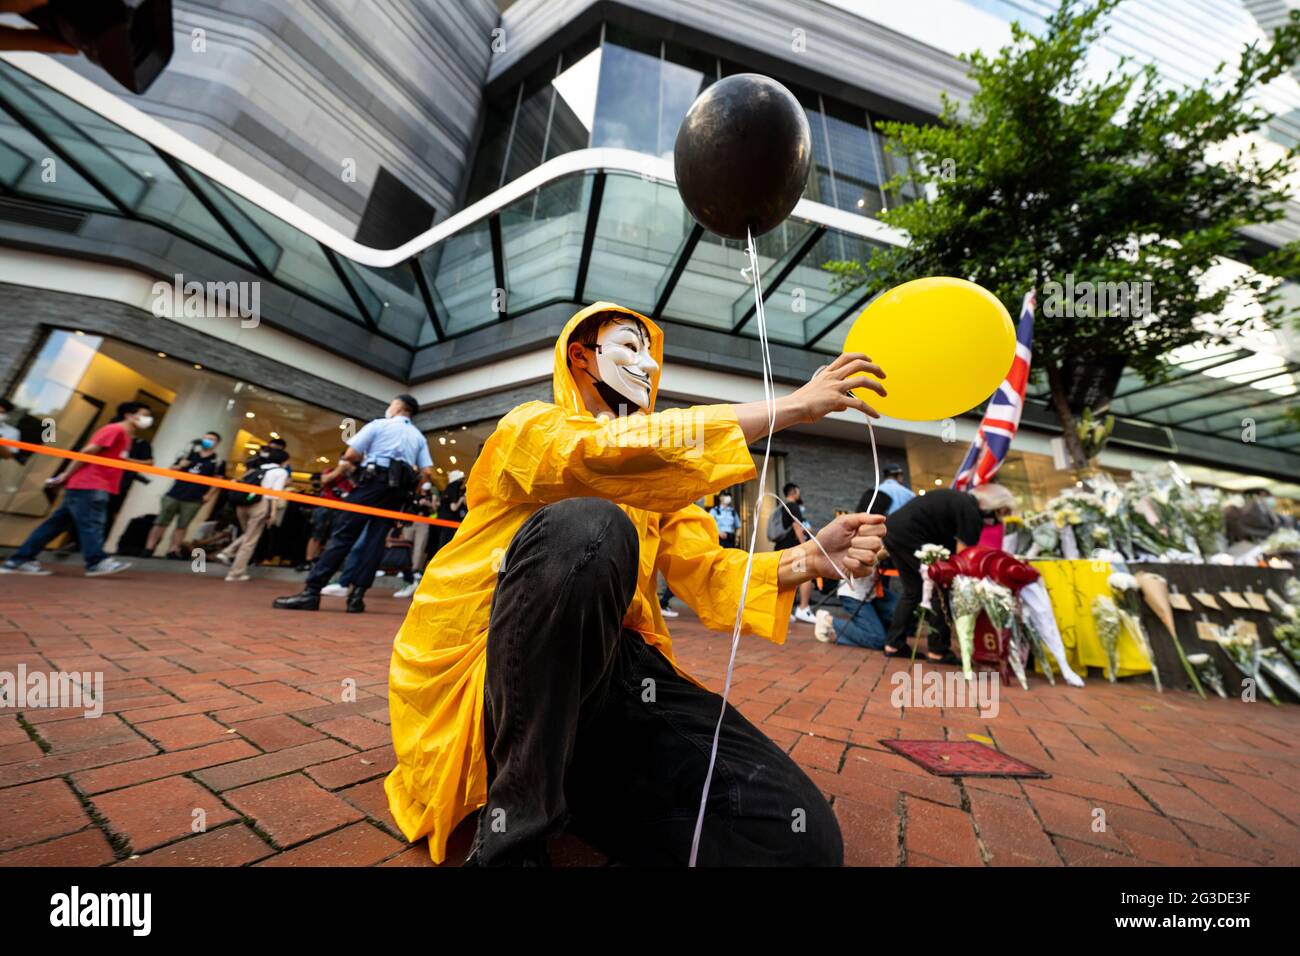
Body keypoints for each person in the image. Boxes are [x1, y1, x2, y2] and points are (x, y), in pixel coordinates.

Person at [385, 302, 887, 867]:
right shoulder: (527, 428)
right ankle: (513, 837)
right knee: (592, 526)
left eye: (652, 354)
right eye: (629, 347)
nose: (648, 367)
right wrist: (788, 408)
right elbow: (601, 455)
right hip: (496, 674)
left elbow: (712, 573)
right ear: (581, 356)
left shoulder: (665, 491)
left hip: (615, 674)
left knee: (800, 840)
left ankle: (577, 786)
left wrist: (810, 558)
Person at [272, 395, 433, 613]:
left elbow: (351, 454)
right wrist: (412, 491)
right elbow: (427, 472)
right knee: (376, 542)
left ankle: (312, 591)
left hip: (372, 482)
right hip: (397, 493)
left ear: (397, 406)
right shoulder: (418, 437)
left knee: (343, 534)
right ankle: (357, 597)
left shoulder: (380, 424)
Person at [1, 401, 153, 577]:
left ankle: (20, 560)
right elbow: (87, 452)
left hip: (93, 485)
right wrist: (65, 475)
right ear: (129, 415)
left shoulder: (125, 436)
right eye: (144, 414)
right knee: (92, 523)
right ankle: (96, 562)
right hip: (90, 484)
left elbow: (118, 460)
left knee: (54, 525)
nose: (147, 419)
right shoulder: (114, 430)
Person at [880, 483, 1017, 662]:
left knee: (912, 591)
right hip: (912, 537)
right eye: (1004, 512)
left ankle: (894, 644)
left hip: (892, 531)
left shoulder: (959, 500)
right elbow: (963, 558)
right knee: (941, 589)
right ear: (996, 507)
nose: (1001, 519)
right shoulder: (971, 512)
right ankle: (938, 651)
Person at [815, 491, 897, 648]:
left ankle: (867, 629)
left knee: (903, 615)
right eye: (886, 510)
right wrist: (884, 551)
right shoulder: (857, 530)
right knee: (877, 640)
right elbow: (858, 561)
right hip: (853, 594)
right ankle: (827, 620)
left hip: (872, 593)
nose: (888, 514)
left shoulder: (876, 530)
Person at [217, 444, 290, 581]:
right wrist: (273, 512)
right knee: (250, 540)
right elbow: (274, 494)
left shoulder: (258, 467)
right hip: (261, 504)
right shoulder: (281, 472)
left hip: (243, 503)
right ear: (283, 460)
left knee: (249, 534)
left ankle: (228, 552)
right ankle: (235, 572)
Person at [146, 431, 223, 559]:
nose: (208, 441)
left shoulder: (217, 461)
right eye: (206, 438)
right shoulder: (188, 454)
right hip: (174, 494)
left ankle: (173, 550)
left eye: (212, 439)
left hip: (195, 498)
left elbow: (218, 481)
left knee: (182, 525)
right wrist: (180, 465)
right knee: (160, 522)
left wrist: (209, 495)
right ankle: (149, 548)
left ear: (217, 443)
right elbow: (172, 468)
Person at [771, 483, 817, 624]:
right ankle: (803, 608)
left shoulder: (783, 507)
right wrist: (804, 545)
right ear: (794, 492)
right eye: (798, 491)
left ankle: (783, 611)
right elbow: (797, 525)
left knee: (786, 579)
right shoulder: (793, 506)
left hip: (782, 546)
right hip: (794, 547)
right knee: (806, 574)